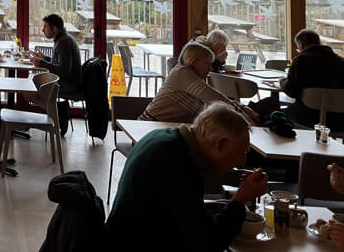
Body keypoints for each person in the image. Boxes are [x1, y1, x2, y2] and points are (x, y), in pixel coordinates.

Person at [108, 101, 268, 251]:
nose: (241, 163)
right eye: (241, 153)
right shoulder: (177, 162)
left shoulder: (164, 138)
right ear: (219, 144)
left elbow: (173, 209)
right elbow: (210, 243)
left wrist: (208, 210)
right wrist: (240, 201)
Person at [140, 41, 259, 123]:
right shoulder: (182, 73)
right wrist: (246, 116)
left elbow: (218, 100)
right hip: (151, 126)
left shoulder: (190, 74)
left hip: (163, 126)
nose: (211, 68)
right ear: (193, 61)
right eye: (207, 63)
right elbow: (216, 99)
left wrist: (243, 108)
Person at [281, 29, 344, 131]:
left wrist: (282, 82)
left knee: (277, 114)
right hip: (339, 121)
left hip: (308, 117)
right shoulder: (341, 62)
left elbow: (292, 91)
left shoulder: (301, 60)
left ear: (301, 45)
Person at [31, 13, 82, 95]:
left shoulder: (64, 42)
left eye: (45, 26)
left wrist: (42, 63)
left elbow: (64, 71)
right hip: (67, 81)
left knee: (32, 85)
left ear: (54, 29)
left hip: (68, 84)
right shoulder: (62, 38)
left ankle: (49, 107)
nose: (42, 30)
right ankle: (49, 106)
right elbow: (60, 64)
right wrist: (45, 58)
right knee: (34, 81)